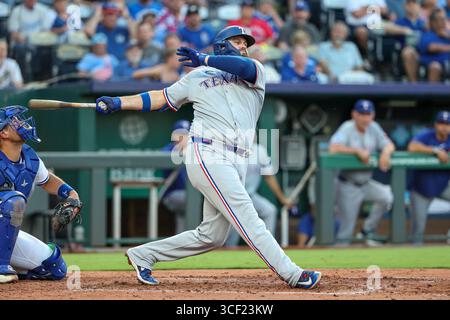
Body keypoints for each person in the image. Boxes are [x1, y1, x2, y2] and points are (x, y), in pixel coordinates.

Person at [95, 25, 321, 289]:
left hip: (238, 158)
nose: (245, 47)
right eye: (238, 42)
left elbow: (242, 67)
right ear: (223, 44)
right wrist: (120, 102)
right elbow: (161, 97)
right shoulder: (197, 76)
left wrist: (203, 58)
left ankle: (144, 255)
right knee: (247, 214)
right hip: (207, 151)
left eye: (246, 43)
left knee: (211, 236)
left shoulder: (255, 71)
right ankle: (293, 274)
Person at [0, 105, 81, 284]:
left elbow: (47, 180)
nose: (21, 123)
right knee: (13, 201)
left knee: (54, 267)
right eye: (13, 121)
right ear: (3, 133)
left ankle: (11, 268)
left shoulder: (29, 157)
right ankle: (1, 268)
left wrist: (72, 194)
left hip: (2, 234)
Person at [329, 100, 395, 246]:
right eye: (362, 114)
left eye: (368, 114)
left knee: (386, 197)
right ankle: (336, 265)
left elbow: (389, 144)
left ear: (373, 115)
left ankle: (367, 230)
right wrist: (356, 151)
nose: (366, 118)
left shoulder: (374, 127)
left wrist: (386, 152)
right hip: (348, 185)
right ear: (354, 114)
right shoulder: (347, 127)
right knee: (346, 231)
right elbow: (333, 148)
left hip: (366, 184)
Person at [225, 139, 293, 247]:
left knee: (270, 210)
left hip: (251, 196)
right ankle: (228, 252)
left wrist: (282, 198)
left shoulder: (259, 151)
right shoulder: (230, 150)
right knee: (234, 226)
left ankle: (267, 248)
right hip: (232, 197)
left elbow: (269, 177)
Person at [407, 111, 450, 244]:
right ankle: (415, 260)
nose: (444, 127)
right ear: (435, 125)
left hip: (442, 186)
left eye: (447, 124)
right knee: (418, 230)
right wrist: (435, 151)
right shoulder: (427, 135)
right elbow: (412, 147)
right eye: (441, 123)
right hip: (421, 189)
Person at [160, 119, 191, 234]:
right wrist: (179, 151)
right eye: (180, 134)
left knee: (183, 215)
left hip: (190, 194)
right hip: (172, 194)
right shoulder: (168, 150)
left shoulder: (195, 150)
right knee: (189, 200)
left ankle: (184, 243)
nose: (183, 138)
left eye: (186, 134)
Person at [394, 0, 428, 82]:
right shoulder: (399, 22)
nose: (411, 6)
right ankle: (414, 84)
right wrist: (404, 30)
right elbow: (381, 26)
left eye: (414, 3)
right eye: (409, 3)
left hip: (425, 53)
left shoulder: (424, 24)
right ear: (404, 6)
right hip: (406, 54)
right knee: (408, 52)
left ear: (419, 7)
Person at [418, 9, 450, 82]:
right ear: (433, 22)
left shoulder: (448, 34)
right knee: (435, 66)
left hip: (448, 64)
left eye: (445, 18)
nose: (444, 22)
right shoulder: (427, 34)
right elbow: (431, 47)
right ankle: (432, 93)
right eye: (441, 19)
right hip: (432, 65)